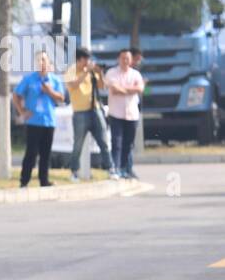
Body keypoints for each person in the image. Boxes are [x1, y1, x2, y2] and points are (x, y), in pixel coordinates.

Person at [12, 51, 65, 188]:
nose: (42, 63)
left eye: (44, 60)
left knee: (46, 153)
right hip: (33, 121)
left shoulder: (55, 80)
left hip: (48, 121)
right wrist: (22, 111)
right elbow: (16, 95)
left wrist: (50, 91)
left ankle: (44, 180)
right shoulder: (29, 79)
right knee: (31, 152)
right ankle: (24, 181)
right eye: (39, 60)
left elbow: (61, 98)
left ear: (49, 63)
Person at [63, 47, 113, 180]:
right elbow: (73, 85)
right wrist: (86, 72)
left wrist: (100, 73)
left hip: (95, 109)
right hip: (80, 112)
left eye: (89, 59)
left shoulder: (91, 72)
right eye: (86, 59)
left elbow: (103, 86)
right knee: (78, 144)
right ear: (79, 59)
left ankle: (110, 169)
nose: (88, 62)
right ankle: (74, 171)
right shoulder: (71, 71)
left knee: (104, 140)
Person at [105, 48, 145, 180]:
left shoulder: (135, 74)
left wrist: (123, 89)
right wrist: (130, 89)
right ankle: (115, 168)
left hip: (132, 114)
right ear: (118, 59)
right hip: (116, 113)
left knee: (128, 143)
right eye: (123, 58)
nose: (125, 61)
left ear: (131, 60)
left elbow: (140, 88)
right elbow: (114, 89)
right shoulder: (112, 73)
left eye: (128, 58)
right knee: (116, 142)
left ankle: (124, 168)